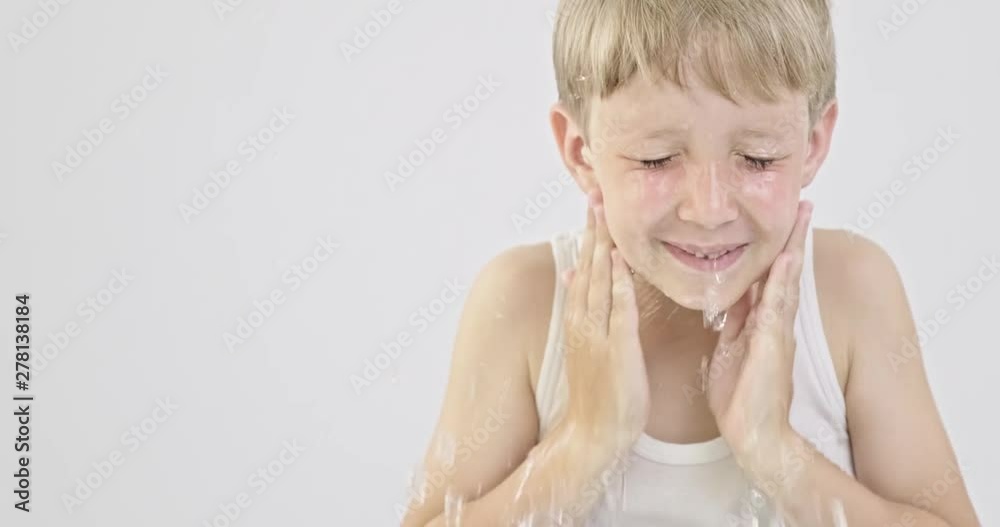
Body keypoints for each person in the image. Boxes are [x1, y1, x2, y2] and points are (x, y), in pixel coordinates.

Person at [402, 0, 980, 525]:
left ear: (813, 143)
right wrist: (582, 443)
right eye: (656, 161)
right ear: (580, 151)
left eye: (757, 159)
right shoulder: (524, 303)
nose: (708, 210)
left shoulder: (852, 294)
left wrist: (775, 450)